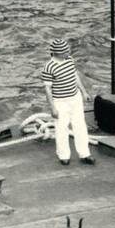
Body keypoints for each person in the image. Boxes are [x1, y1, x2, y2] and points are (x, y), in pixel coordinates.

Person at [40, 37, 94, 166]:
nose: (67, 53)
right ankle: (63, 155)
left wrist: (83, 92)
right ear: (57, 52)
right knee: (61, 128)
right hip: (60, 101)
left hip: (75, 98)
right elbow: (48, 89)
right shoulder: (49, 67)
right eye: (65, 51)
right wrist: (53, 108)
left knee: (80, 125)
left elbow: (75, 76)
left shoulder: (69, 60)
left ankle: (85, 153)